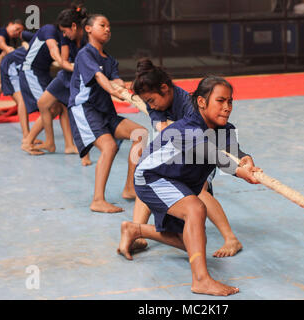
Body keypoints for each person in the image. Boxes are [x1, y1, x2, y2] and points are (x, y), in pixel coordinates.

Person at [118, 76, 262, 296]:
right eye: (220, 101)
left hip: (178, 180)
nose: (227, 108)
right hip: (152, 177)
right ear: (202, 102)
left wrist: (246, 160)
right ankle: (201, 280)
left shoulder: (224, 128)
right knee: (196, 208)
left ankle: (135, 229)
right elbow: (215, 156)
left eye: (230, 102)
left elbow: (234, 152)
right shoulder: (188, 128)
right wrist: (241, 173)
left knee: (190, 241)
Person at [130, 59, 243, 258]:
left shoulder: (191, 107)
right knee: (150, 178)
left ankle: (230, 237)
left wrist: (239, 165)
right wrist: (161, 125)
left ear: (165, 88)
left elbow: (208, 143)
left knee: (199, 191)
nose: (152, 105)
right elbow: (155, 112)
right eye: (148, 102)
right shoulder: (159, 101)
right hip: (178, 154)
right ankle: (137, 230)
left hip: (203, 154)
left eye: (151, 100)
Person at [68, 14, 147, 213]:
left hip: (105, 111)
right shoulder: (85, 54)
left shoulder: (110, 60)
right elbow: (100, 78)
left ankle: (130, 188)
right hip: (85, 109)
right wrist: (113, 90)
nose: (107, 29)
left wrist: (128, 89)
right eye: (102, 25)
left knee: (140, 133)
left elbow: (116, 81)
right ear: (88, 29)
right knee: (109, 147)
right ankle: (97, 200)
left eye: (109, 26)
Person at [25, 3, 91, 165]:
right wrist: (71, 65)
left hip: (75, 80)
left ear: (74, 26)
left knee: (73, 112)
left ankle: (79, 149)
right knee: (43, 103)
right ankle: (51, 142)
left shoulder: (87, 39)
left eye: (65, 30)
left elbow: (91, 60)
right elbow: (63, 59)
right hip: (64, 76)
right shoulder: (65, 37)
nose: (64, 34)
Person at [18, 19, 75, 155]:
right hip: (30, 71)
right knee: (51, 107)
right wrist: (63, 63)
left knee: (62, 105)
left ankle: (69, 146)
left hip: (43, 73)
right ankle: (28, 142)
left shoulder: (66, 39)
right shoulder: (49, 29)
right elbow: (53, 50)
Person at [0, 32, 44, 152]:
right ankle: (26, 136)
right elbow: (24, 35)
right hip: (12, 66)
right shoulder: (47, 40)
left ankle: (28, 136)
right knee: (22, 100)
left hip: (22, 69)